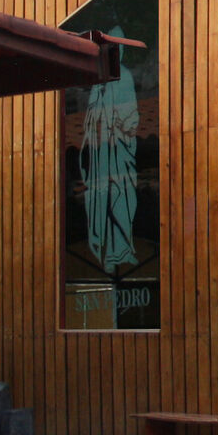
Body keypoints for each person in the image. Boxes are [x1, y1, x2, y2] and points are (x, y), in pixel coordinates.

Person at [76, 29, 142, 274]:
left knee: (123, 198)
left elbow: (131, 111)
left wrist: (122, 123)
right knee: (102, 199)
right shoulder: (99, 81)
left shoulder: (124, 75)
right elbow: (90, 117)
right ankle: (104, 251)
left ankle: (122, 249)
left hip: (120, 150)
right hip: (103, 153)